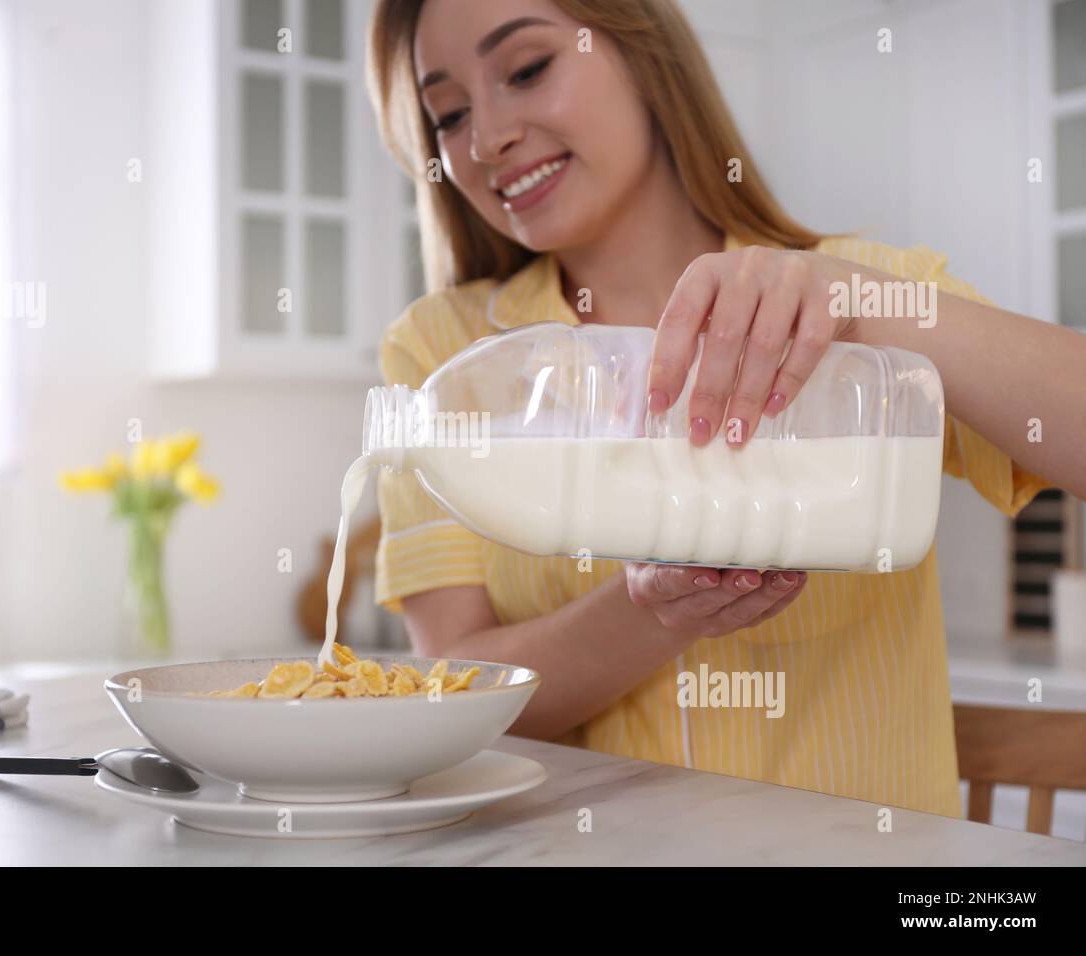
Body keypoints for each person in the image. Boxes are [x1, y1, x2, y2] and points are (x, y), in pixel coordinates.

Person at [365, 0, 1086, 815]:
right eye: (449, 114)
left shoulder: (860, 294)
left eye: (528, 70)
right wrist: (651, 613)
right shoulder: (440, 351)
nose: (486, 138)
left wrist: (858, 303)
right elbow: (454, 691)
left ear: (644, 57)